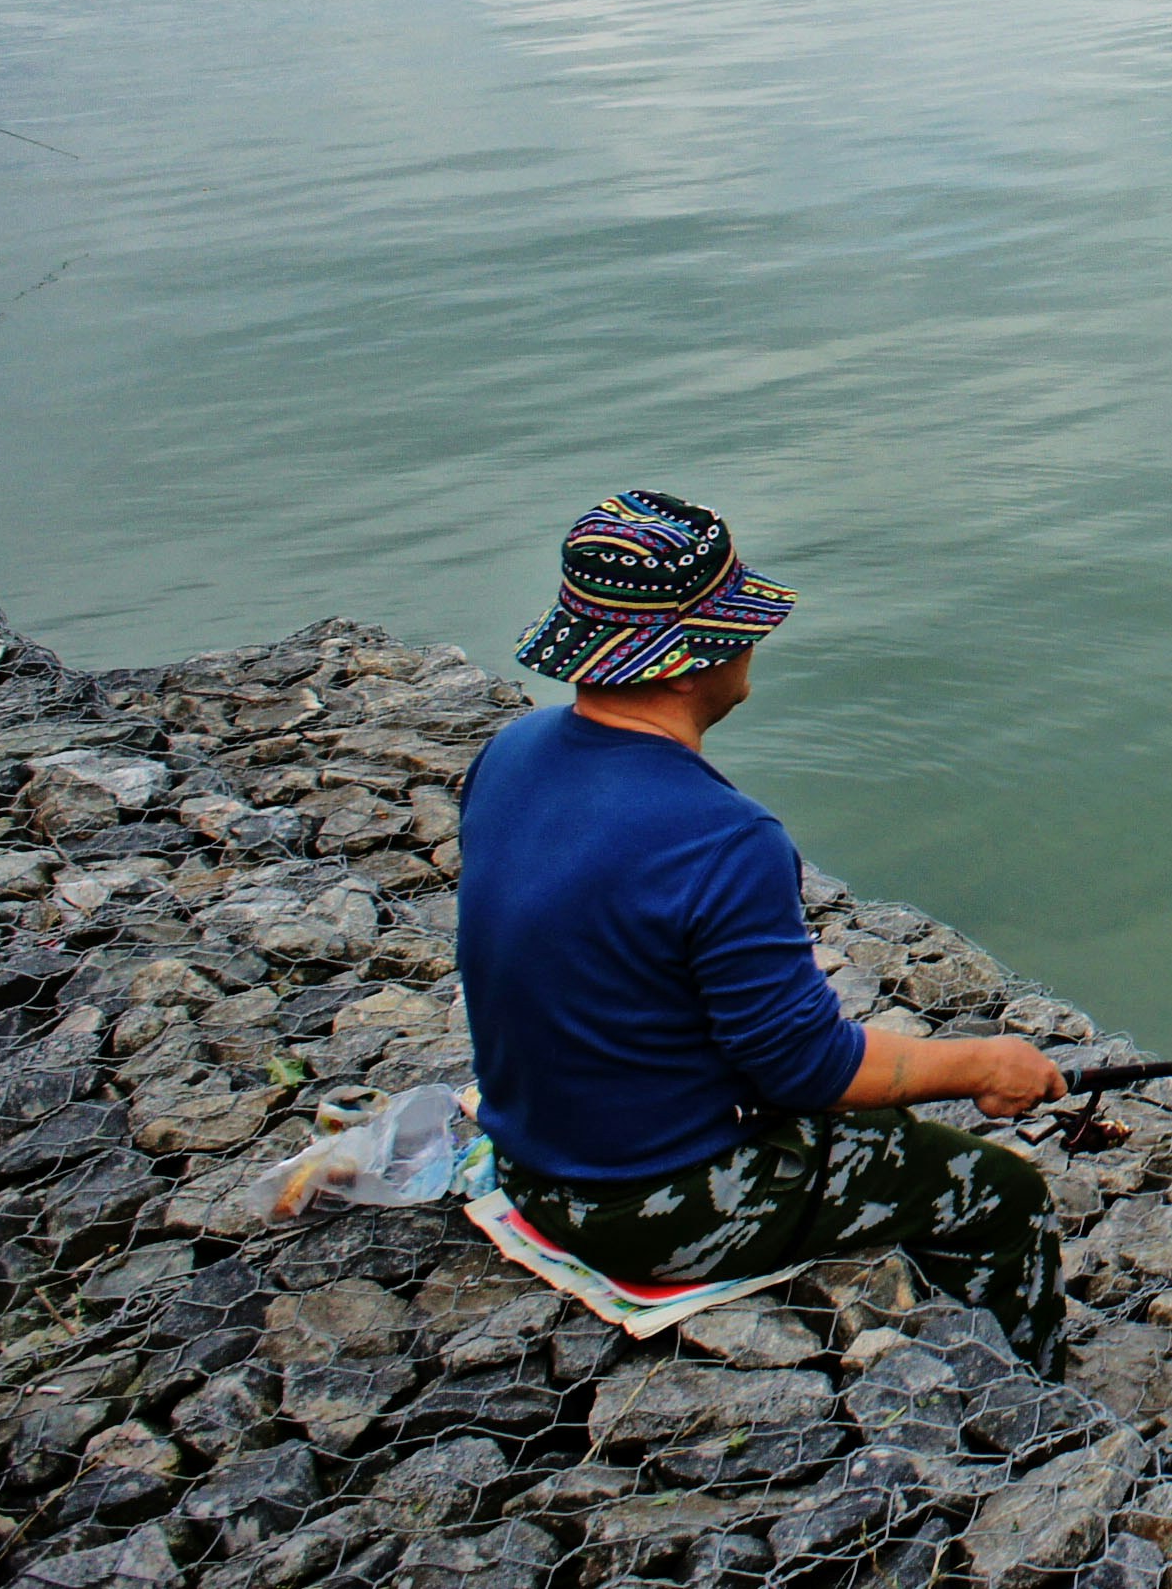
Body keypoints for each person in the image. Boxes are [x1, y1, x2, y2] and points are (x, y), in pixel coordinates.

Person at [458, 490, 1070, 1365]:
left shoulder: (509, 754)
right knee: (1000, 1194)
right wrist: (985, 1063)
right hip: (644, 1210)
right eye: (736, 624)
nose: (754, 641)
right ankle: (1034, 1409)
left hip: (527, 1156)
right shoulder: (724, 837)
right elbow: (803, 1066)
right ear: (686, 659)